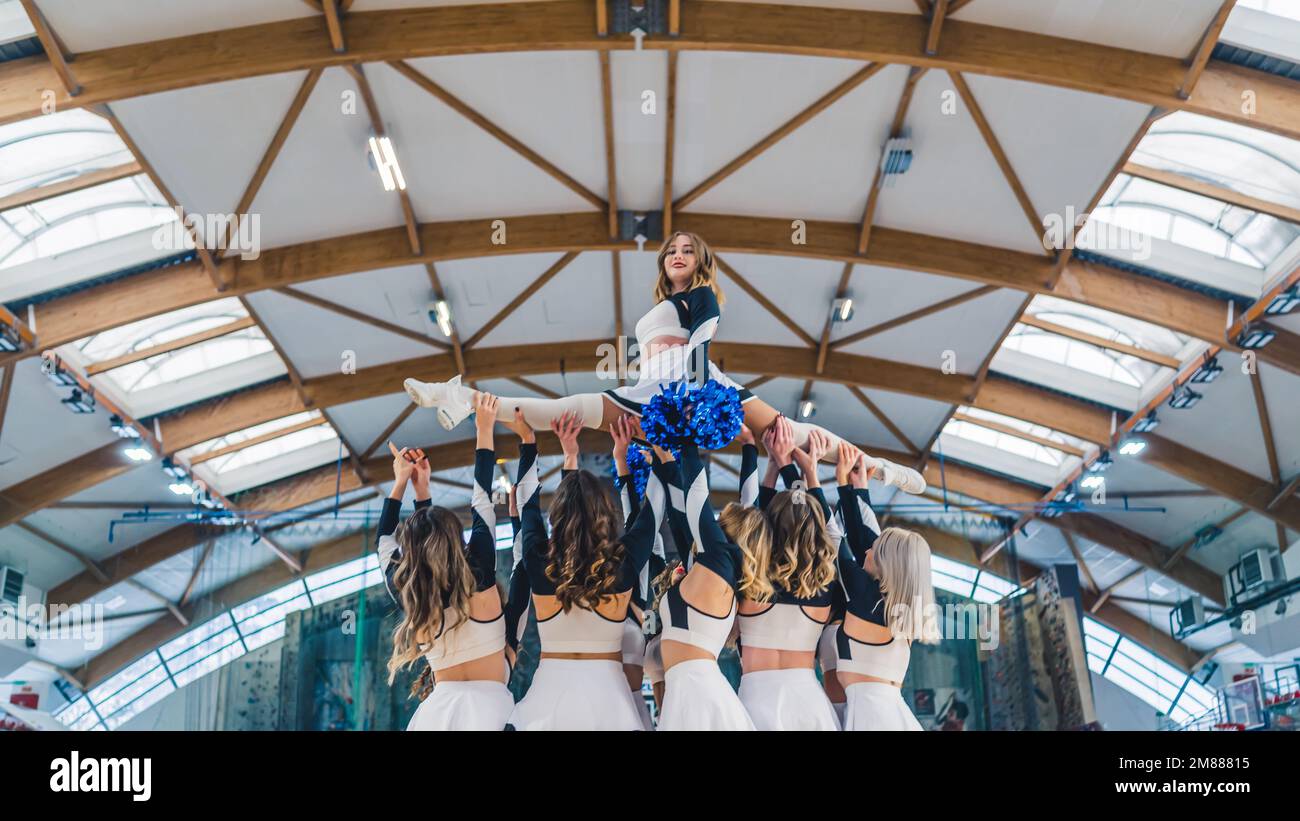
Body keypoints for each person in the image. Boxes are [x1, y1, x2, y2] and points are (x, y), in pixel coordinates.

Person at [402, 232, 924, 491]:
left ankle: (880, 468)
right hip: (648, 387)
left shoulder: (700, 297)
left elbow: (703, 336)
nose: (677, 254)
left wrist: (695, 393)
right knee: (565, 411)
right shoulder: (660, 306)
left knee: (791, 435)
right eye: (671, 250)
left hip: (694, 383)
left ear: (700, 262)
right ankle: (462, 400)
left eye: (687, 251)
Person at [503, 408, 668, 730]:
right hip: (609, 699)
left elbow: (527, 504)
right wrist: (658, 456)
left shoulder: (539, 559)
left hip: (548, 697)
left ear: (557, 516)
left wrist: (530, 443)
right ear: (604, 514)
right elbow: (650, 515)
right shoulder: (622, 563)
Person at [377, 394, 512, 730]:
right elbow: (482, 497)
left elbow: (384, 545)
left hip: (437, 716)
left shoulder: (414, 599)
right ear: (456, 537)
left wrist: (402, 483)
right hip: (490, 713)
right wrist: (484, 429)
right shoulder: (480, 572)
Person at [734, 419, 842, 730]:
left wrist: (774, 463)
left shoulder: (754, 577)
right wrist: (800, 470)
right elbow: (831, 534)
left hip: (758, 699)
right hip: (810, 701)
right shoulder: (825, 584)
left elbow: (749, 514)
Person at [834, 449, 943, 731]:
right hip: (887, 713)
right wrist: (857, 489)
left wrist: (837, 482)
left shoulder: (873, 602)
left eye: (877, 551)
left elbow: (838, 541)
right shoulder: (897, 608)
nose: (870, 549)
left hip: (876, 718)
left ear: (887, 564)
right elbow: (865, 542)